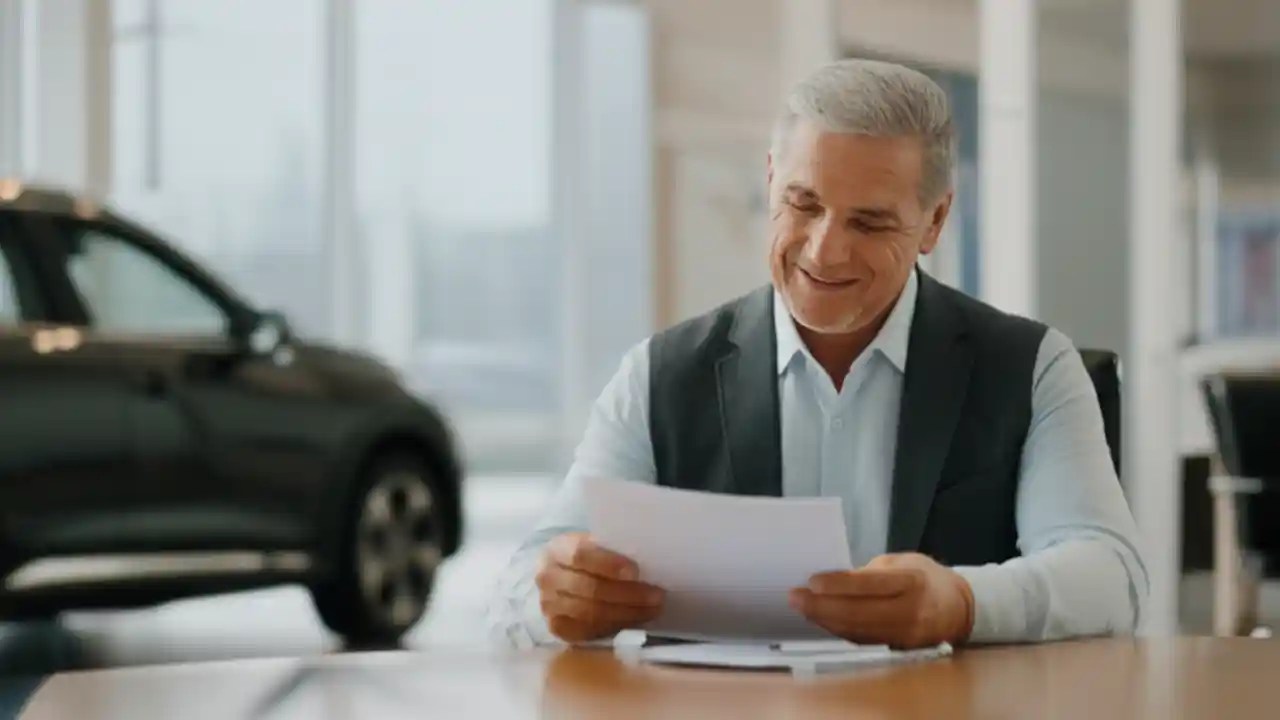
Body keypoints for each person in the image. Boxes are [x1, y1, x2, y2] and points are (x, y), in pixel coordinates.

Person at [489, 58, 1148, 649]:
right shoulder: (658, 377)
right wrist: (559, 599)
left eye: (869, 221)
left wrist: (963, 603)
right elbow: (519, 593)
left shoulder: (1033, 368)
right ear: (771, 179)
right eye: (802, 205)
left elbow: (1111, 575)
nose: (825, 250)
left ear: (935, 221)